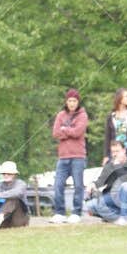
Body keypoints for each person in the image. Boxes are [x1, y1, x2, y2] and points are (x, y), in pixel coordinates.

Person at [49, 88, 89, 223]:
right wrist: (68, 131)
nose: (72, 103)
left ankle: (76, 212)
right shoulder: (60, 115)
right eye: (69, 100)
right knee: (58, 184)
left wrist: (64, 129)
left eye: (74, 101)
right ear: (66, 102)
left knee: (78, 185)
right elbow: (55, 133)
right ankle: (59, 212)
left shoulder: (83, 115)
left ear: (78, 102)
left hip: (78, 156)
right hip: (63, 156)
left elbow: (78, 132)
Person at [83, 139, 127, 224]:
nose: (115, 154)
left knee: (126, 185)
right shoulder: (109, 165)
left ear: (124, 151)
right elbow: (101, 181)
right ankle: (116, 218)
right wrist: (92, 184)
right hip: (111, 196)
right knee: (89, 206)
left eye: (117, 151)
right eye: (113, 152)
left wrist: (117, 165)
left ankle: (125, 218)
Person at [104, 88, 127, 162]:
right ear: (119, 98)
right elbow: (108, 136)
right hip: (115, 150)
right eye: (126, 96)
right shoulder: (111, 116)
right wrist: (106, 155)